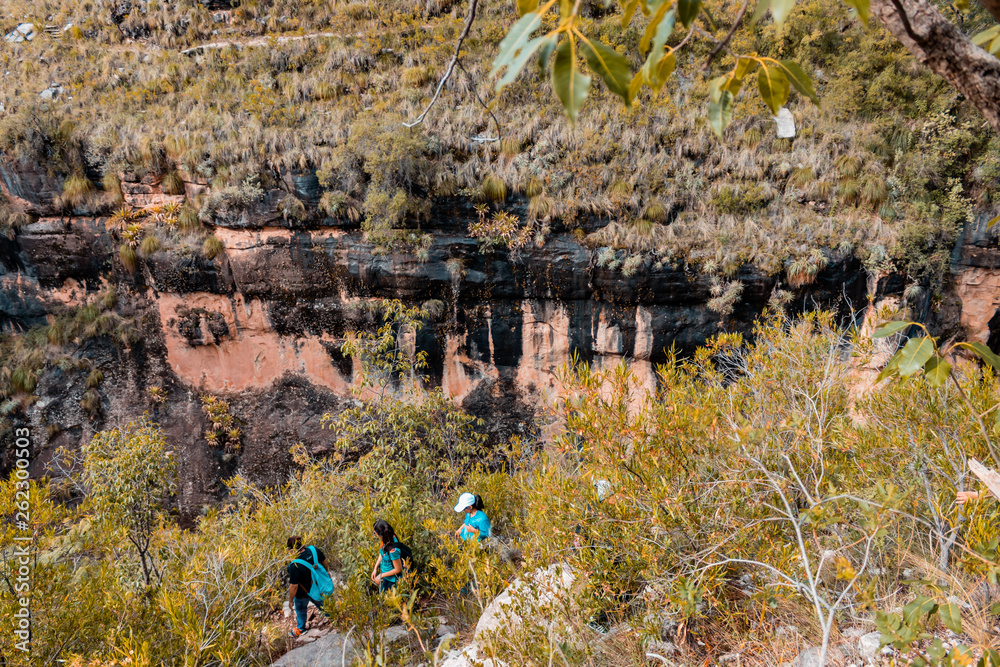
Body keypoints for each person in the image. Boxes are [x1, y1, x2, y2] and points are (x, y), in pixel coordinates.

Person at [286, 536, 334, 638]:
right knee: (323, 604)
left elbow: (294, 586)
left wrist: (290, 600)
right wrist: (326, 573)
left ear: (291, 550)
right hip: (318, 587)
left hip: (303, 592)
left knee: (300, 609)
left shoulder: (294, 565)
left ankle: (301, 628)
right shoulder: (314, 550)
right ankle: (335, 619)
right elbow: (324, 562)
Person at [370, 519, 404, 592]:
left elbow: (398, 569)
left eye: (375, 533)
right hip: (386, 576)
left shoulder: (393, 550)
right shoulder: (385, 540)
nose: (375, 534)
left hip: (392, 581)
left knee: (387, 601)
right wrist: (375, 568)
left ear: (381, 534)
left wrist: (381, 575)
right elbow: (382, 553)